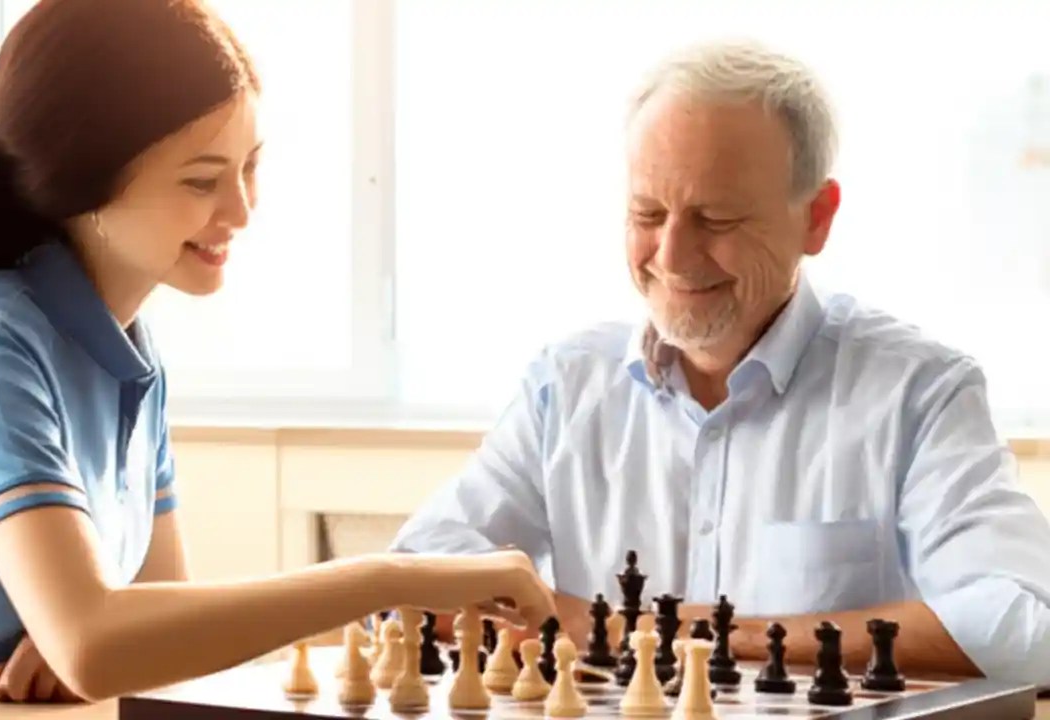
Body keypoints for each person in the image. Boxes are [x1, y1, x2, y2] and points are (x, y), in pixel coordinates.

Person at [0, 2, 555, 718]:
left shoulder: (128, 351)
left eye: (250, 166)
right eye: (202, 181)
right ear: (82, 180)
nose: (243, 211)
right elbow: (98, 643)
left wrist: (98, 639)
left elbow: (151, 622)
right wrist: (395, 577)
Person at [390, 39, 1050, 687]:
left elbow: (1029, 631)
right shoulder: (562, 390)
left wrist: (654, 635)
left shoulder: (921, 393)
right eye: (647, 213)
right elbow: (407, 589)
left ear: (816, 219)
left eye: (716, 219)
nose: (672, 257)